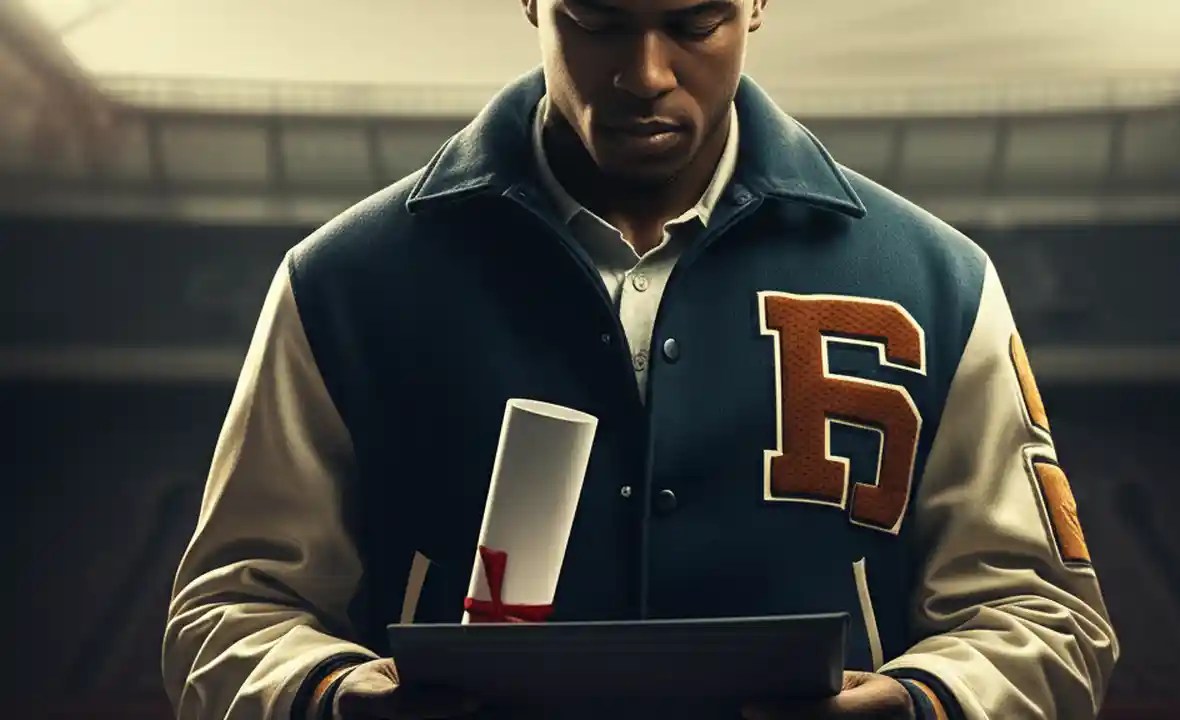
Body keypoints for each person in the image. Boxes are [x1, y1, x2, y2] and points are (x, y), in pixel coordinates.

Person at [161, 0, 1119, 718]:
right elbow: (227, 611)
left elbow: (1048, 619)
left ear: (756, 2)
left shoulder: (935, 281)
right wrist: (327, 691)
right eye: (599, 20)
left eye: (693, 20)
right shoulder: (342, 283)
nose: (645, 72)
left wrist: (923, 701)